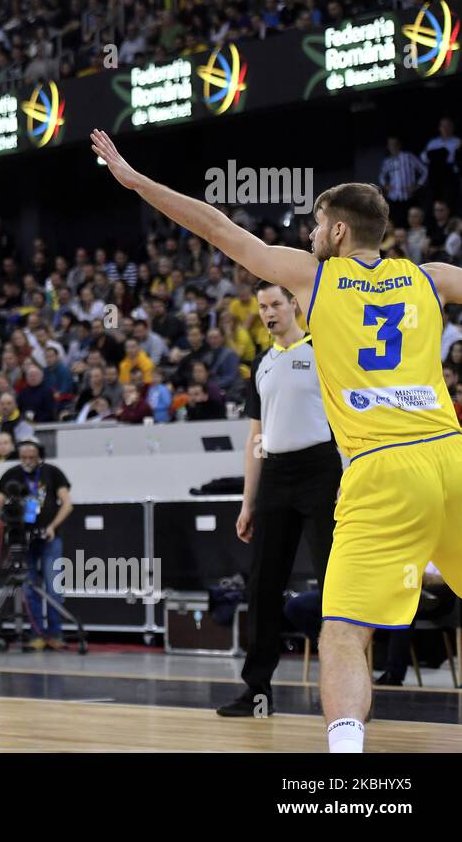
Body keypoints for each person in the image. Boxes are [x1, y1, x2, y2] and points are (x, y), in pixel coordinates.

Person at [93, 128, 462, 753]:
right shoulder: (430, 278)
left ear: (338, 233)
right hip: (451, 458)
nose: (310, 235)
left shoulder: (317, 279)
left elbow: (218, 230)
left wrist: (136, 182)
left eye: (317, 226)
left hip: (381, 468)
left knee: (343, 632)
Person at [217, 283, 340, 718]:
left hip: (322, 470)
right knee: (263, 585)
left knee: (334, 583)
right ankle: (257, 693)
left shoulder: (323, 349)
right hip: (275, 476)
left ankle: (345, 693)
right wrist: (247, 502)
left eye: (275, 304)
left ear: (294, 306)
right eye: (262, 306)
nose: (268, 312)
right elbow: (256, 438)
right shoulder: (261, 364)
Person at [0, 440, 74, 650]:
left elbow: (67, 503)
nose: (28, 461)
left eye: (32, 457)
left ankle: (55, 634)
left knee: (53, 586)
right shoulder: (11, 474)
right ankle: (36, 634)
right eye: (24, 457)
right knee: (29, 588)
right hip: (23, 539)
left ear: (39, 456)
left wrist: (53, 526)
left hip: (48, 537)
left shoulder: (52, 472)